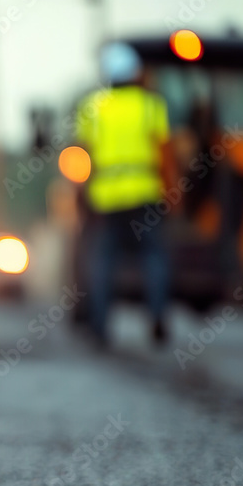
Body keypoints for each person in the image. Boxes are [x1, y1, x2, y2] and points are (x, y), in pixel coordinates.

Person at [76, 42, 175, 346]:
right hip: (145, 192)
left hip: (106, 197)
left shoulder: (92, 107)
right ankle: (157, 316)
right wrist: (173, 188)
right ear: (135, 72)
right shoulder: (151, 105)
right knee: (153, 257)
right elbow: (164, 152)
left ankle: (100, 326)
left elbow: (84, 155)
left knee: (103, 261)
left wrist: (81, 193)